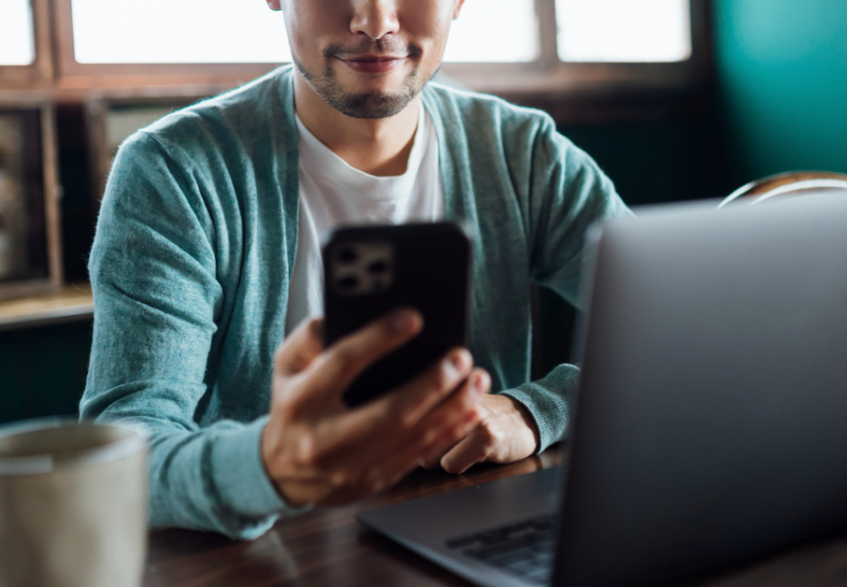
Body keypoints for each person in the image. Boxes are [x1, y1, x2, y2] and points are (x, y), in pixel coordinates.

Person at [80, 0, 629, 539]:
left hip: (474, 541)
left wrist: (536, 412)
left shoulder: (523, 154)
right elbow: (123, 458)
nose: (375, 21)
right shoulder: (173, 172)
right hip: (259, 564)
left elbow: (686, 340)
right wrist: (271, 466)